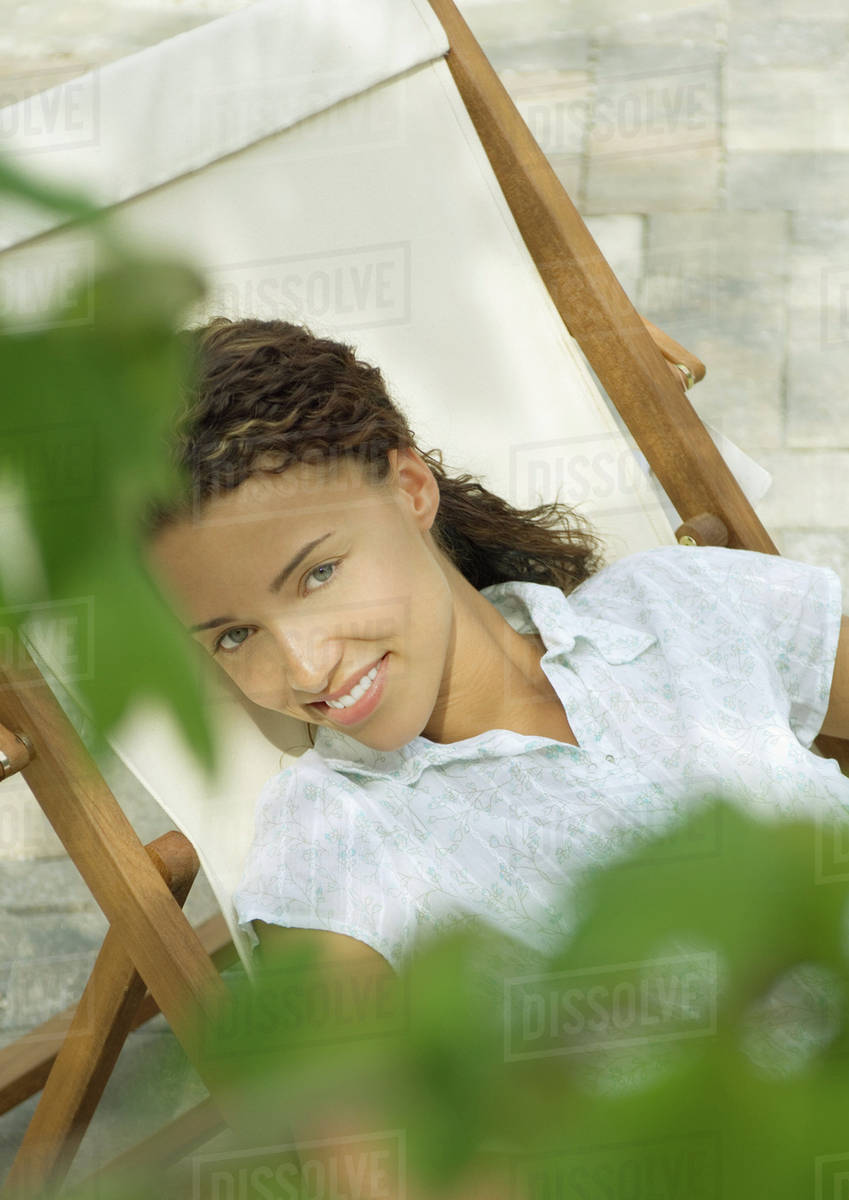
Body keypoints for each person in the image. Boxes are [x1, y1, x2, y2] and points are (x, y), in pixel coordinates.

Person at [143, 314, 849, 1190]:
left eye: (318, 573)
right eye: (235, 635)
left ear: (407, 489)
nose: (304, 666)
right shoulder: (332, 849)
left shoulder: (675, 606)